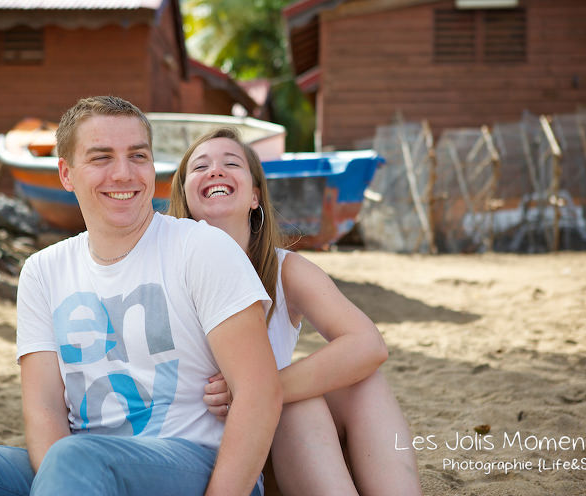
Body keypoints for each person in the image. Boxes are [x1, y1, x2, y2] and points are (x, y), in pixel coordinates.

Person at [0, 97, 282, 496]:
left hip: (193, 466)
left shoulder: (201, 247)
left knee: (78, 457)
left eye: (138, 156)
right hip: (75, 471)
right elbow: (45, 409)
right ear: (66, 174)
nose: (123, 173)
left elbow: (259, 392)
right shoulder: (44, 271)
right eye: (101, 158)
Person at [169, 127, 423, 496]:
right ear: (186, 196)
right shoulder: (166, 267)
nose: (216, 170)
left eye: (231, 162)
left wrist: (257, 389)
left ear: (255, 196)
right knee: (295, 407)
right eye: (200, 166)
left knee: (360, 382)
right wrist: (264, 394)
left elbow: (368, 345)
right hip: (209, 447)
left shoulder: (284, 269)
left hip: (280, 440)